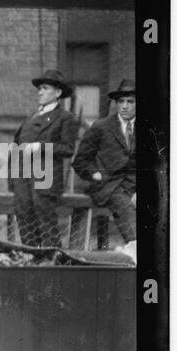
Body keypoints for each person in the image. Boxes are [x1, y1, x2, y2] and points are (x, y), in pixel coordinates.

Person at [12, 69, 79, 247]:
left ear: (57, 93)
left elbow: (68, 148)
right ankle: (31, 256)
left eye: (45, 88)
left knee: (44, 218)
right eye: (39, 88)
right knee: (23, 214)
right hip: (23, 175)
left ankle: (52, 260)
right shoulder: (32, 116)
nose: (40, 92)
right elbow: (17, 143)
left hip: (45, 176)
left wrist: (38, 146)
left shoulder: (66, 118)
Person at [72, 78, 137, 250]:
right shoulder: (101, 127)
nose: (124, 106)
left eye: (130, 101)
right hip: (108, 185)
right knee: (125, 208)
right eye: (121, 101)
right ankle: (137, 247)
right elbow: (80, 161)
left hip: (134, 184)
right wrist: (95, 173)